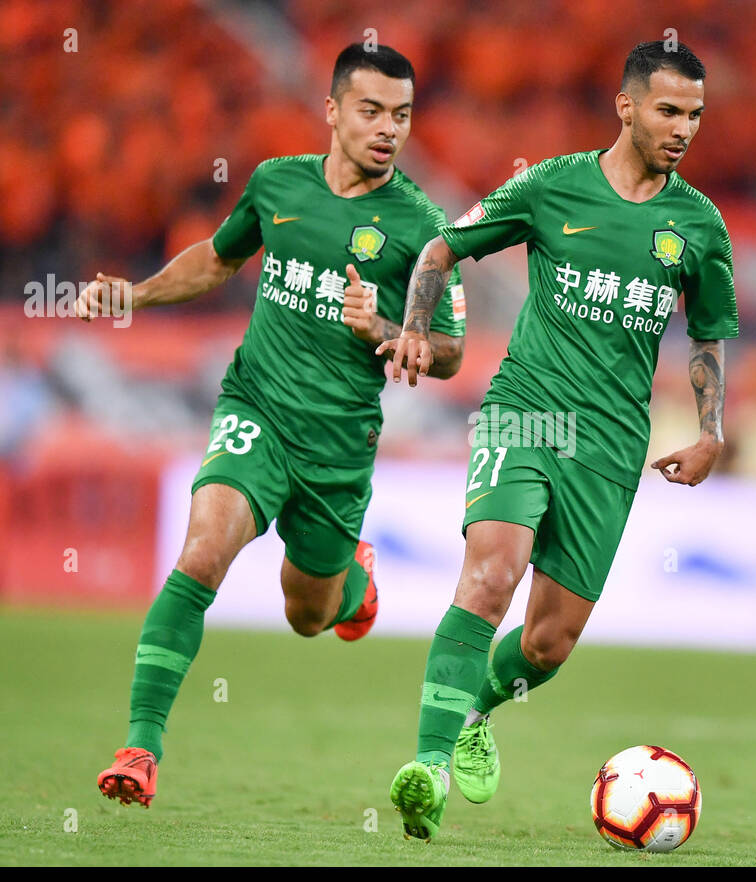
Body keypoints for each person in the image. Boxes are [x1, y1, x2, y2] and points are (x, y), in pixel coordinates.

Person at [76, 43, 466, 808]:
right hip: (254, 407)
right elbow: (220, 261)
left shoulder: (423, 229)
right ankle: (141, 746)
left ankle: (353, 582)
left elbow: (449, 352)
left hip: (337, 446)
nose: (388, 129)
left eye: (402, 116)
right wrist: (139, 295)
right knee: (201, 553)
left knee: (307, 614)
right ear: (331, 110)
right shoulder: (276, 183)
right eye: (371, 111)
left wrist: (384, 327)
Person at [378, 40, 738, 840]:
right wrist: (412, 327)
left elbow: (709, 335)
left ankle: (474, 710)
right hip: (526, 412)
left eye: (694, 116)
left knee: (547, 643)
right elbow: (443, 245)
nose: (682, 128)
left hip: (611, 447)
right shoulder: (551, 186)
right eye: (668, 110)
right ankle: (428, 768)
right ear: (627, 105)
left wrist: (711, 432)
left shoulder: (699, 227)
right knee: (491, 572)